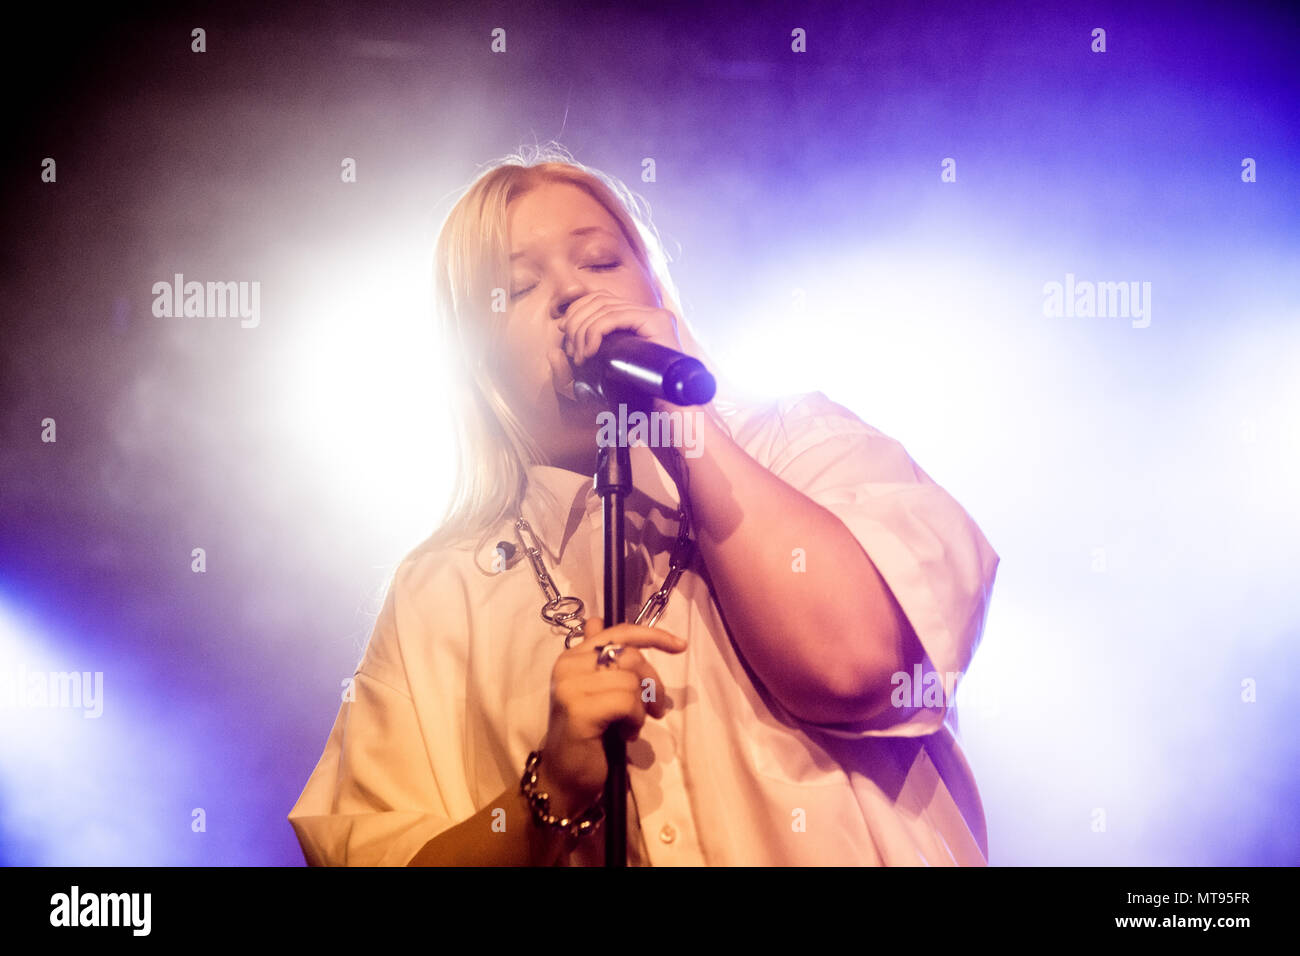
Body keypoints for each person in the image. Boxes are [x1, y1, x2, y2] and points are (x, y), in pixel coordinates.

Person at [287, 144, 1000, 866]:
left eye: (599, 262)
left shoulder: (806, 444)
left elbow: (854, 666)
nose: (572, 295)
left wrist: (682, 426)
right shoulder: (441, 593)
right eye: (520, 287)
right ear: (477, 362)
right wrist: (552, 792)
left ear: (657, 291)